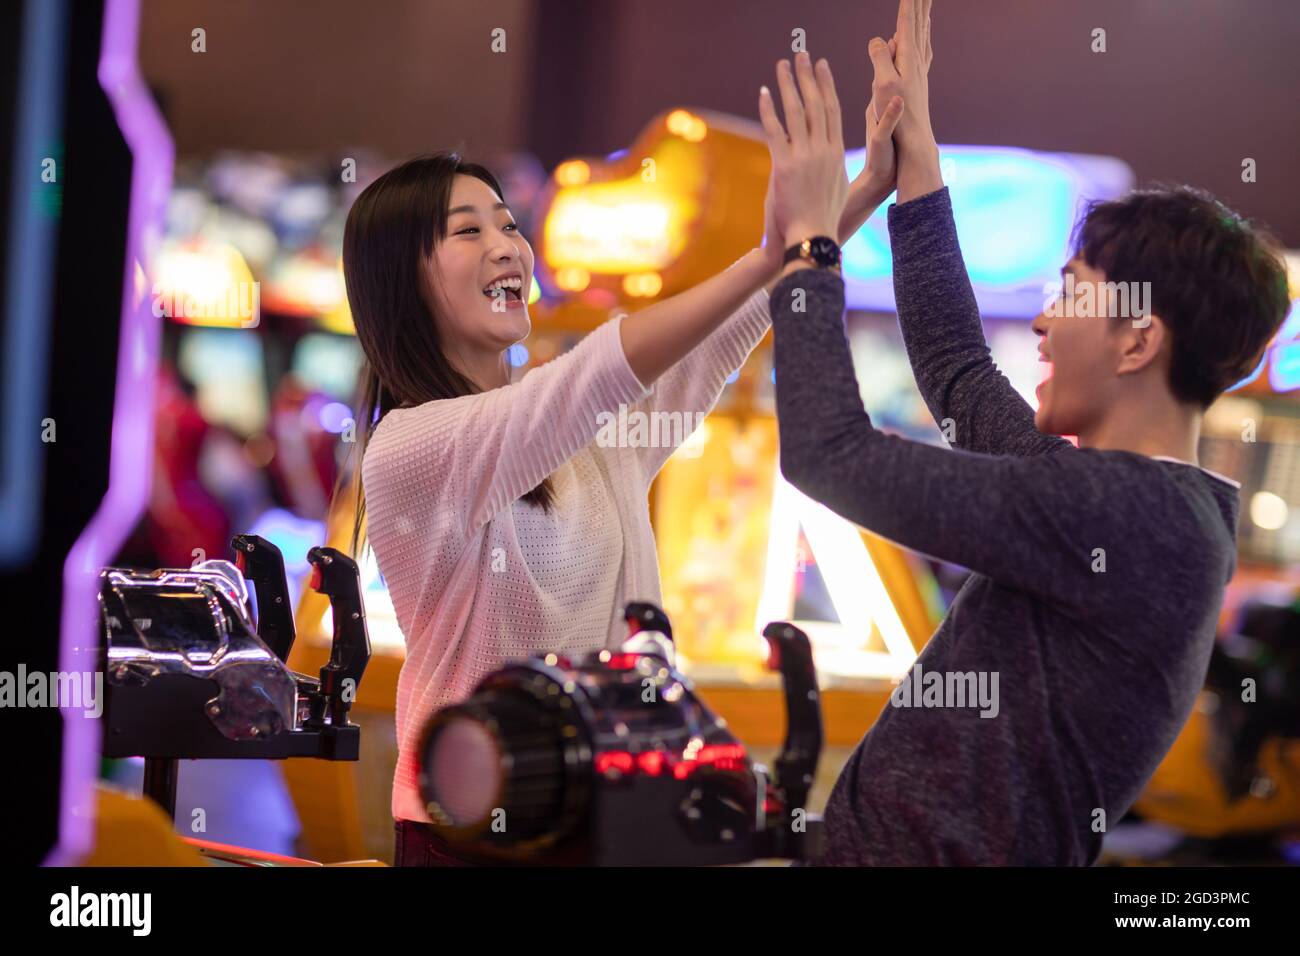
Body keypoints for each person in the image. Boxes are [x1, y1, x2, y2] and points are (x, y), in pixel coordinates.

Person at [760, 0, 1291, 864]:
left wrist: (811, 244)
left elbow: (828, 454)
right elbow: (960, 375)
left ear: (1138, 338)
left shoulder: (1127, 518)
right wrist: (918, 162)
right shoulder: (1142, 507)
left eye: (1070, 290)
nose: (1044, 321)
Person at [340, 93, 901, 864]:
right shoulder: (411, 445)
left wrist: (860, 192)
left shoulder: (579, 432)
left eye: (508, 223)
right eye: (469, 231)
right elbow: (597, 373)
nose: (508, 245)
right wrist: (777, 247)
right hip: (474, 832)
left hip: (613, 822)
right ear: (400, 281)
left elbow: (717, 341)